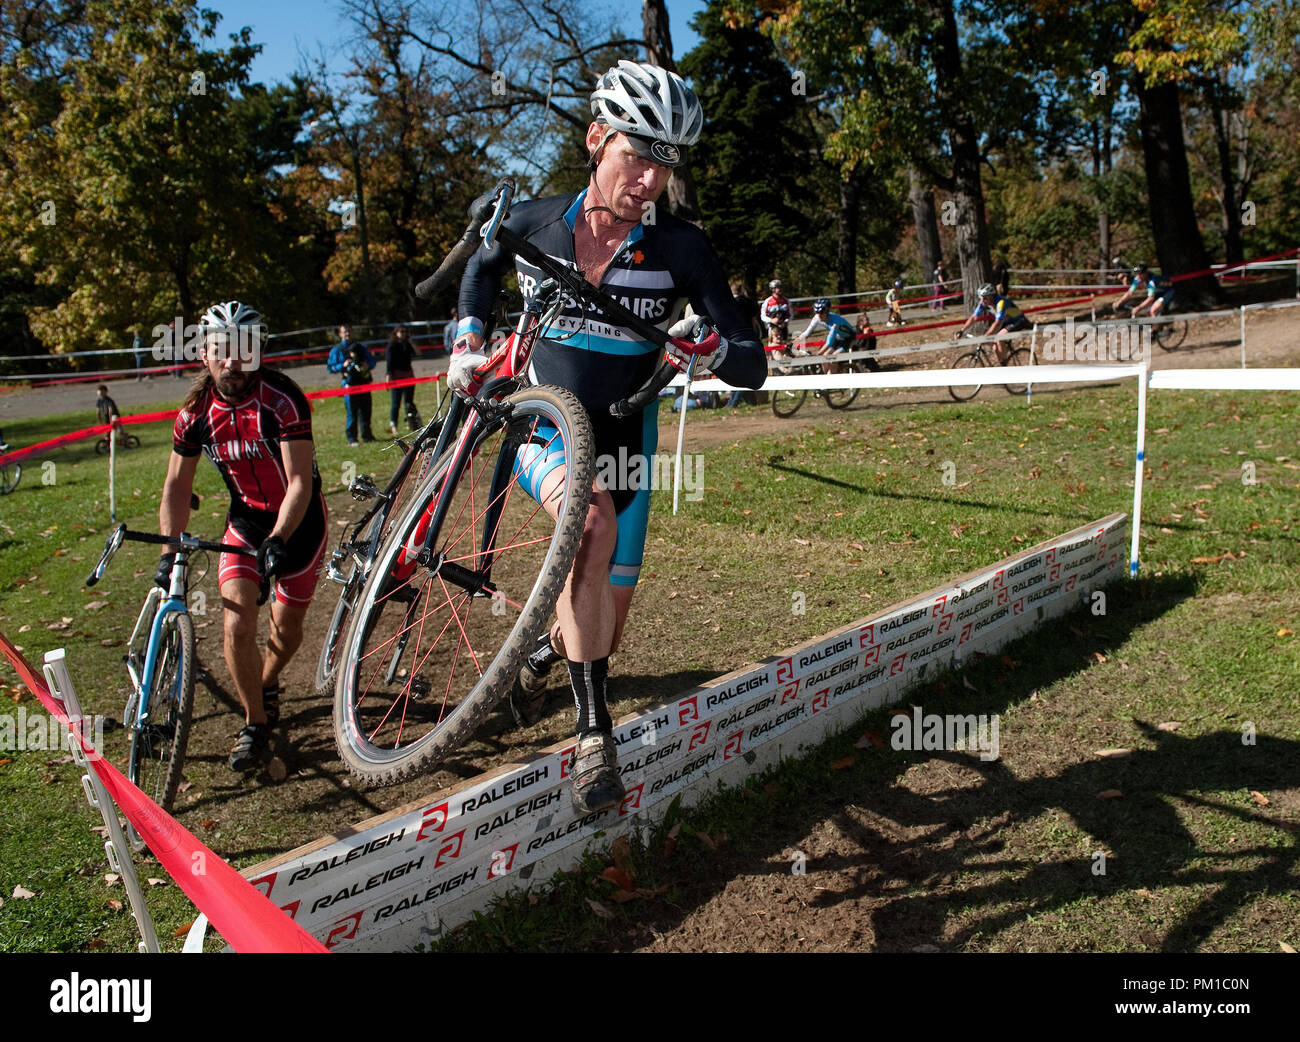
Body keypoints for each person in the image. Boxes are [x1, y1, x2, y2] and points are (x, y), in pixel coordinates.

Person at [449, 59, 766, 814]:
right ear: (597, 138)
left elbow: (750, 362)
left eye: (667, 161)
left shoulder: (682, 249)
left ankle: (538, 644)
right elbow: (482, 265)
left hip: (628, 441)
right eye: (638, 153)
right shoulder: (537, 222)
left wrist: (717, 350)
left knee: (600, 626)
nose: (652, 177)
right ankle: (596, 738)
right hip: (543, 423)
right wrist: (466, 341)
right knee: (586, 522)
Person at [159, 301, 328, 771]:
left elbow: (300, 482)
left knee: (287, 630)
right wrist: (170, 551)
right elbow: (176, 485)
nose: (232, 361)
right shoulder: (194, 414)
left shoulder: (283, 399)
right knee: (236, 625)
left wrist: (279, 536)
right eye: (221, 350)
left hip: (300, 524)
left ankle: (267, 681)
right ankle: (255, 723)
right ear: (205, 354)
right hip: (246, 522)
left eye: (243, 350)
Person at [957, 283, 1031, 362]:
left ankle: (1007, 365)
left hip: (1017, 320)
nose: (982, 301)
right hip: (1006, 321)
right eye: (981, 298)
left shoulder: (1001, 302)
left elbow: (997, 322)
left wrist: (985, 336)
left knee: (999, 338)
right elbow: (974, 317)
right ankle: (1003, 365)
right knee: (995, 348)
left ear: (991, 296)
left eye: (985, 298)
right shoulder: (984, 303)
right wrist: (962, 330)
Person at [327, 324, 375, 445]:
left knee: (366, 411)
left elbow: (372, 361)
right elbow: (330, 367)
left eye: (349, 331)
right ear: (340, 334)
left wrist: (367, 364)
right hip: (349, 385)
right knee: (352, 413)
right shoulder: (337, 350)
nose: (347, 333)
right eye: (344, 332)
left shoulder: (360, 347)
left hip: (363, 383)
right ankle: (352, 438)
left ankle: (367, 436)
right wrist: (342, 365)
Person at [725, 278, 762, 407]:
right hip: (749, 337)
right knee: (747, 368)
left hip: (734, 338)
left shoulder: (728, 303)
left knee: (737, 370)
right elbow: (753, 321)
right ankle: (749, 400)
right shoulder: (749, 303)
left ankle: (733, 402)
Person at [797, 298, 856, 376]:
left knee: (833, 357)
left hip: (848, 338)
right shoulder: (817, 317)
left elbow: (829, 343)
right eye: (817, 313)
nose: (819, 316)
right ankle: (827, 378)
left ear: (827, 312)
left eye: (821, 313)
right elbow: (806, 333)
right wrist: (794, 342)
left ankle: (833, 381)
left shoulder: (835, 322)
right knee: (824, 357)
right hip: (838, 337)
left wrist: (818, 353)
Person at [384, 324, 421, 436]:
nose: (403, 334)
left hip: (408, 375)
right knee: (396, 403)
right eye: (401, 332)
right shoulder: (392, 345)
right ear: (396, 333)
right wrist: (388, 377)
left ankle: (411, 423)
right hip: (397, 376)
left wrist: (411, 342)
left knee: (409, 402)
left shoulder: (407, 344)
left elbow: (418, 353)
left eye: (405, 332)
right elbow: (389, 362)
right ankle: (394, 425)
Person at [761, 279, 792, 349]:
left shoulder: (786, 301)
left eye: (781, 287)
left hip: (784, 329)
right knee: (772, 347)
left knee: (785, 348)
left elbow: (790, 314)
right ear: (773, 289)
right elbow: (763, 316)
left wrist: (785, 321)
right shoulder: (767, 301)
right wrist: (771, 320)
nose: (780, 289)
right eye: (778, 287)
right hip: (772, 329)